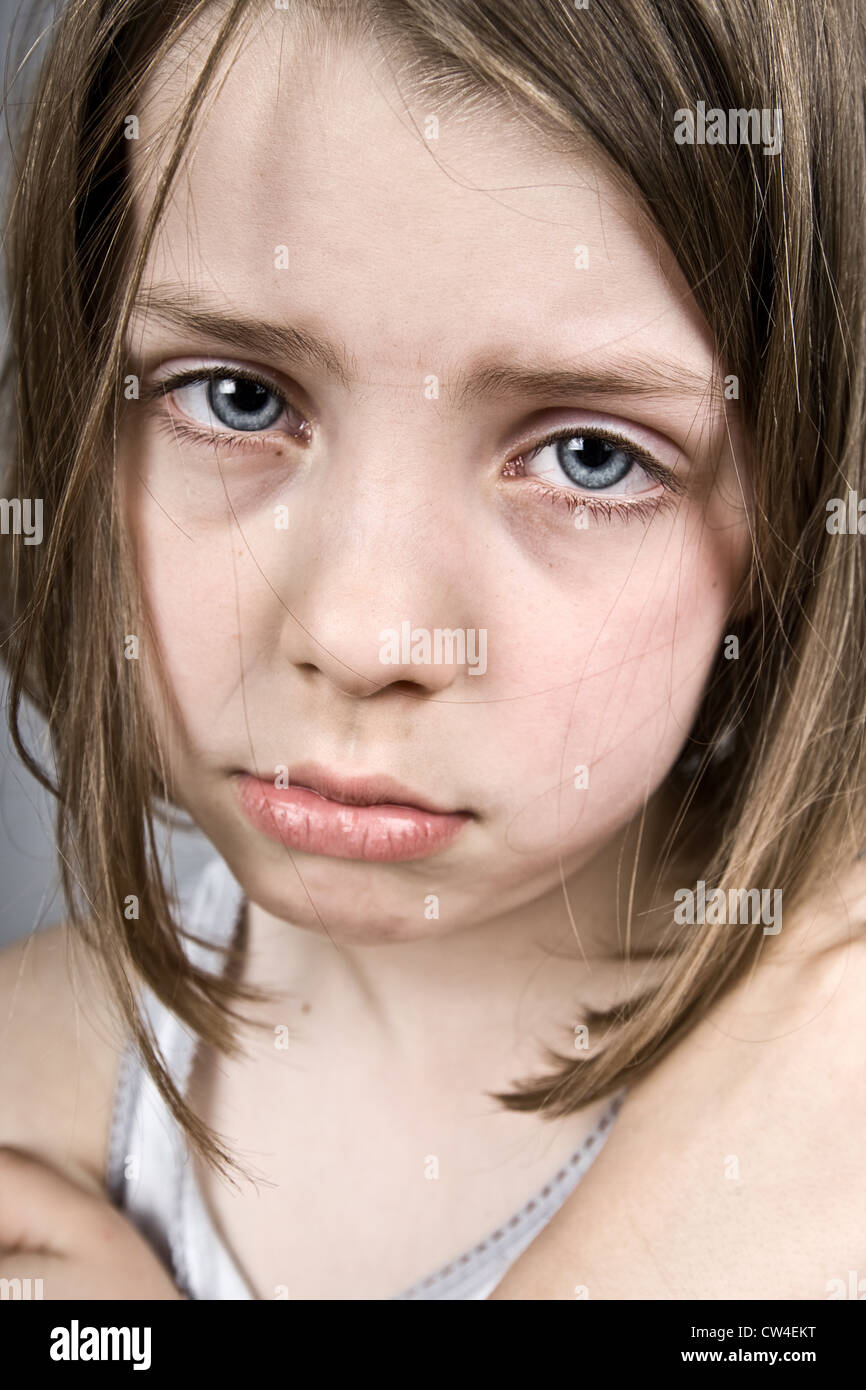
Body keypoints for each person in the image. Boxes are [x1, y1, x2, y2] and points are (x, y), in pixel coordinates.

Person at [0, 0, 863, 1300]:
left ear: (792, 511)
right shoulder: (30, 1102)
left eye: (588, 456)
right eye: (236, 396)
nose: (359, 635)